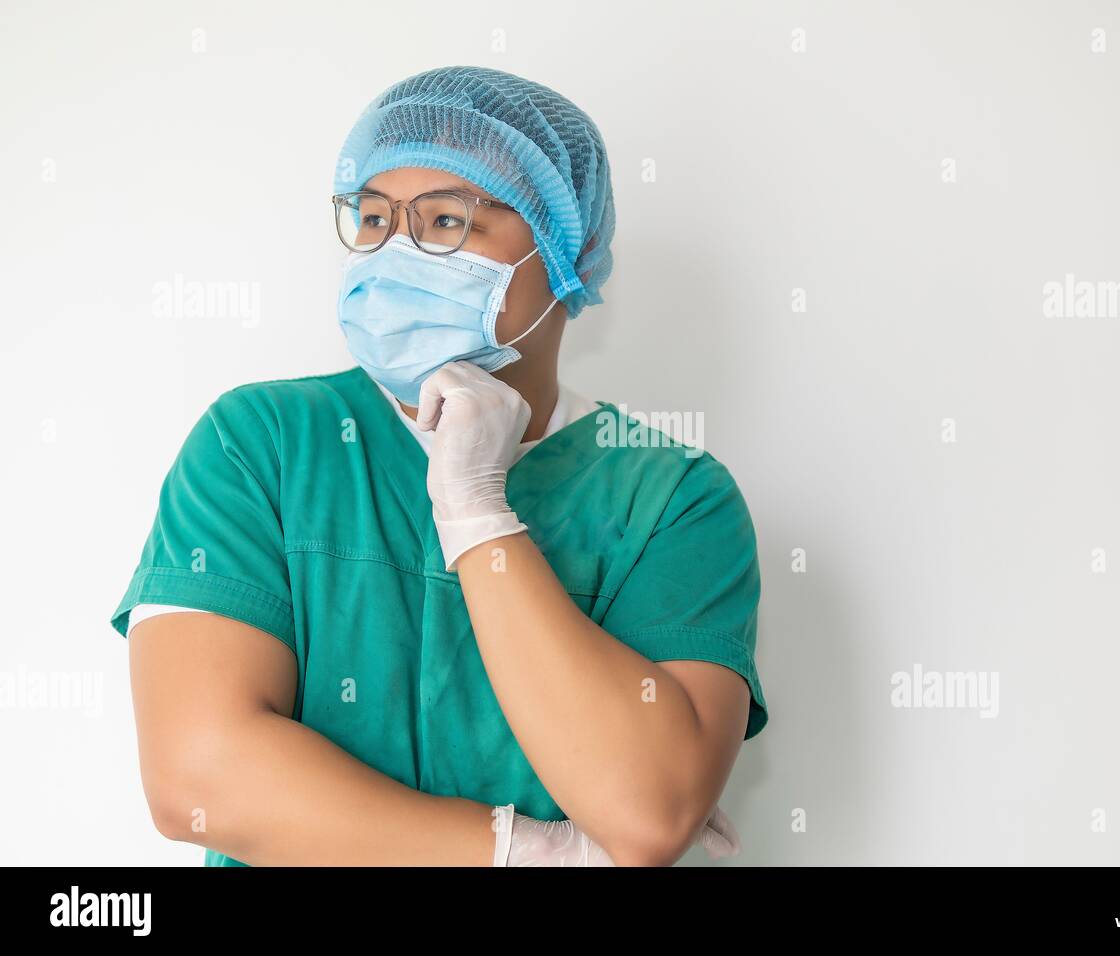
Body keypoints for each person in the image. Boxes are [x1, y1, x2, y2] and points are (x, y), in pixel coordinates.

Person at [110, 65, 768, 867]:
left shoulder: (671, 499)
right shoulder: (261, 443)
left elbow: (646, 807)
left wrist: (476, 509)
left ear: (569, 248)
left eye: (448, 220)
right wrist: (529, 853)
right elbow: (198, 782)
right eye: (375, 217)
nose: (396, 252)